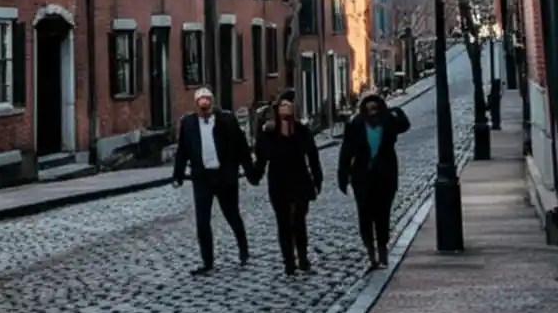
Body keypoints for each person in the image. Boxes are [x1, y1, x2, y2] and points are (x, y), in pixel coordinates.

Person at [173, 86, 254, 275]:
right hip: (202, 178)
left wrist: (250, 171)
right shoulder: (188, 123)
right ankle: (207, 261)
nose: (204, 105)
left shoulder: (226, 119)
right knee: (202, 222)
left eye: (207, 101)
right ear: (195, 105)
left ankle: (243, 250)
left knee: (232, 215)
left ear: (212, 102)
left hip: (224, 176)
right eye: (201, 102)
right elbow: (182, 151)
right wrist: (178, 175)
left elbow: (241, 146)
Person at [250, 89, 322, 276]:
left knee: (299, 221)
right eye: (282, 110)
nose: (286, 114)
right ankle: (289, 262)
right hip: (278, 181)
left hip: (299, 178)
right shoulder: (270, 133)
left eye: (288, 110)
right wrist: (255, 174)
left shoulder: (301, 130)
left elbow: (312, 155)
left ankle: (303, 257)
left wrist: (317, 178)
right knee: (283, 223)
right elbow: (262, 156)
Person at [337, 92, 411, 269]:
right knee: (365, 215)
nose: (372, 111)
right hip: (362, 178)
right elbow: (346, 152)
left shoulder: (388, 123)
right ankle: (371, 252)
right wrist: (343, 176)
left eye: (375, 107)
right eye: (369, 107)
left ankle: (382, 249)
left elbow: (405, 125)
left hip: (385, 176)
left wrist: (396, 109)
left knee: (382, 215)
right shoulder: (356, 124)